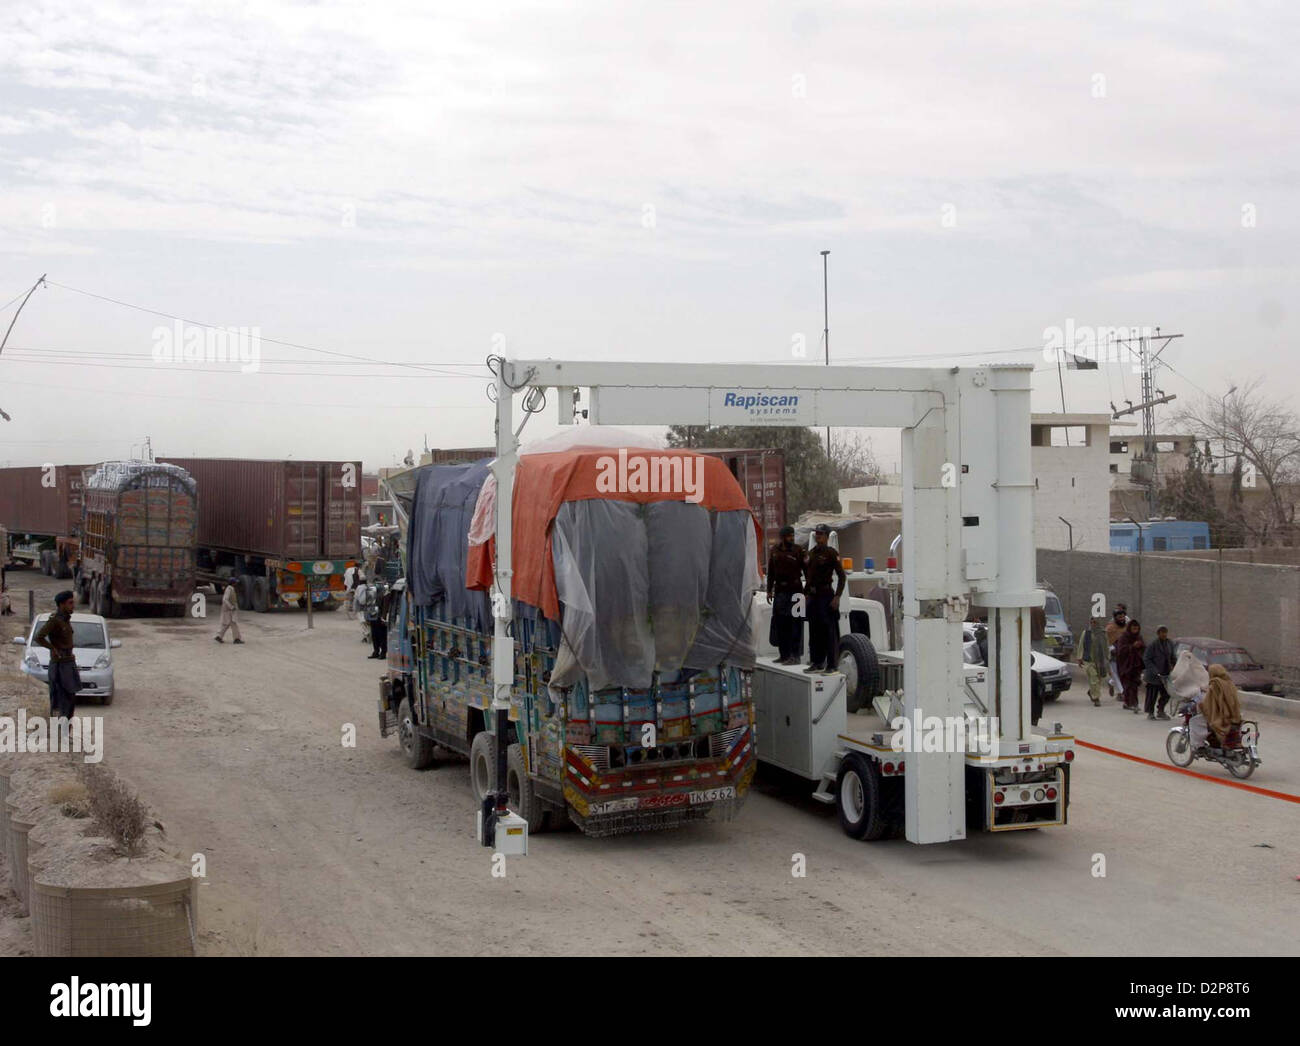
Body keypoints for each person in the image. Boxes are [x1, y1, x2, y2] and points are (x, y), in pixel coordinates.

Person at [803, 523, 846, 675]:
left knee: (829, 632)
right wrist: (806, 593)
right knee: (814, 631)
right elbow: (808, 576)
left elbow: (842, 577)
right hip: (813, 597)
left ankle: (832, 665)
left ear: (827, 537)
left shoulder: (831, 553)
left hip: (826, 596)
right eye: (816, 534)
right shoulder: (811, 553)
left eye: (821, 534)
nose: (818, 536)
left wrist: (837, 597)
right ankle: (817, 662)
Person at [33, 590, 80, 718]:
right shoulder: (54, 621)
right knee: (59, 701)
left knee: (70, 700)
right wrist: (52, 648)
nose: (73, 606)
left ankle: (65, 733)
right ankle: (58, 732)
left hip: (68, 663)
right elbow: (39, 637)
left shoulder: (65, 620)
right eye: (70, 603)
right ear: (61, 604)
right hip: (59, 666)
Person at [766, 524, 806, 664]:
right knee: (780, 623)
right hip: (780, 592)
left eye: (793, 535)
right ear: (783, 537)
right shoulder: (775, 551)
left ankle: (795, 656)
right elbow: (771, 572)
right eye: (789, 536)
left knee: (795, 624)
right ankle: (784, 655)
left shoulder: (798, 551)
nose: (792, 538)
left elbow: (808, 571)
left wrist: (806, 593)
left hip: (796, 591)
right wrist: (769, 590)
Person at [1195, 663, 1244, 749]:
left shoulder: (1215, 684)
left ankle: (1200, 746)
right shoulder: (1229, 683)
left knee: (1200, 722)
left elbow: (1208, 703)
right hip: (1234, 714)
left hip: (1222, 716)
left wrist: (1200, 706)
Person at [1142, 625, 1176, 720]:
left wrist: (1175, 666)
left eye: (1165, 632)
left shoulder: (1169, 643)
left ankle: (1160, 710)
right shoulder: (1153, 645)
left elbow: (1172, 657)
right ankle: (1150, 712)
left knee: (1166, 693)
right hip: (1154, 675)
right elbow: (1146, 658)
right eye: (1162, 632)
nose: (1164, 634)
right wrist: (1154, 670)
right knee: (1152, 694)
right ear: (1158, 633)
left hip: (1165, 674)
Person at [1077, 615, 1109, 706]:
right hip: (1088, 660)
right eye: (1091, 622)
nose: (1093, 624)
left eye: (1095, 622)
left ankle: (1091, 692)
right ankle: (1096, 698)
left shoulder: (1103, 633)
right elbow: (1081, 645)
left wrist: (1108, 657)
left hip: (1099, 660)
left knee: (1098, 679)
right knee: (1094, 678)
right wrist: (1079, 658)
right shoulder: (1086, 632)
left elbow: (1106, 645)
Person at [1115, 618, 1145, 712]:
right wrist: (1132, 646)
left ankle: (1133, 703)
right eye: (1133, 628)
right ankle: (1129, 702)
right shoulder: (1124, 637)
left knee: (1134, 685)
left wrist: (1140, 646)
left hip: (1136, 666)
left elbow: (1144, 649)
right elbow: (1121, 651)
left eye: (1137, 628)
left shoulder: (1139, 637)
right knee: (1128, 685)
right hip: (1125, 665)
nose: (1135, 630)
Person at [1105, 604, 1128, 700]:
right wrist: (1111, 648)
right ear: (1115, 618)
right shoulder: (1110, 628)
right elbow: (1105, 641)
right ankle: (1123, 692)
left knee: (1123, 673)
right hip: (1113, 654)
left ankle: (1111, 683)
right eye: (1119, 617)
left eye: (1123, 617)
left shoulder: (1127, 626)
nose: (1122, 619)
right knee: (1116, 674)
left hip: (1124, 653)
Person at [366, 576, 389, 659]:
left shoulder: (385, 592)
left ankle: (383, 652)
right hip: (373, 616)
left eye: (379, 583)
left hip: (381, 617)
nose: (377, 584)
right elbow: (368, 604)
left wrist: (383, 617)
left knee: (382, 636)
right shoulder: (371, 591)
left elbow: (386, 606)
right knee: (374, 635)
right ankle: (376, 651)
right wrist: (368, 617)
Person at [214, 579, 244, 644]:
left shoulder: (231, 589)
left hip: (229, 610)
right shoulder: (229, 589)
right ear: (233, 583)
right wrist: (231, 607)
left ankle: (219, 636)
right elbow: (225, 599)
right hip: (228, 611)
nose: (236, 584)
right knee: (233, 624)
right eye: (235, 583)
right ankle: (236, 639)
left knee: (227, 624)